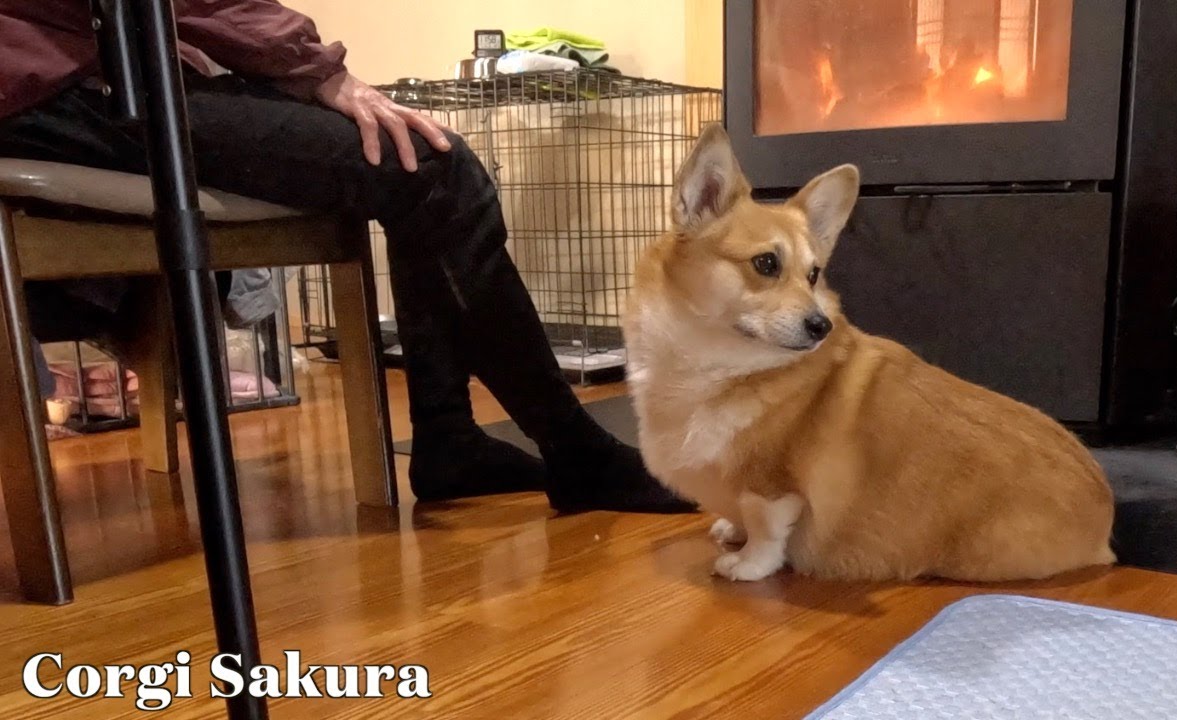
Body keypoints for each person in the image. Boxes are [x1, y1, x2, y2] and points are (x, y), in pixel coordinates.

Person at [0, 1, 695, 514]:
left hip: (81, 76)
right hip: (53, 94)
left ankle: (452, 438)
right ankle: (570, 450)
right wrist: (316, 71)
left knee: (426, 161)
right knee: (427, 168)